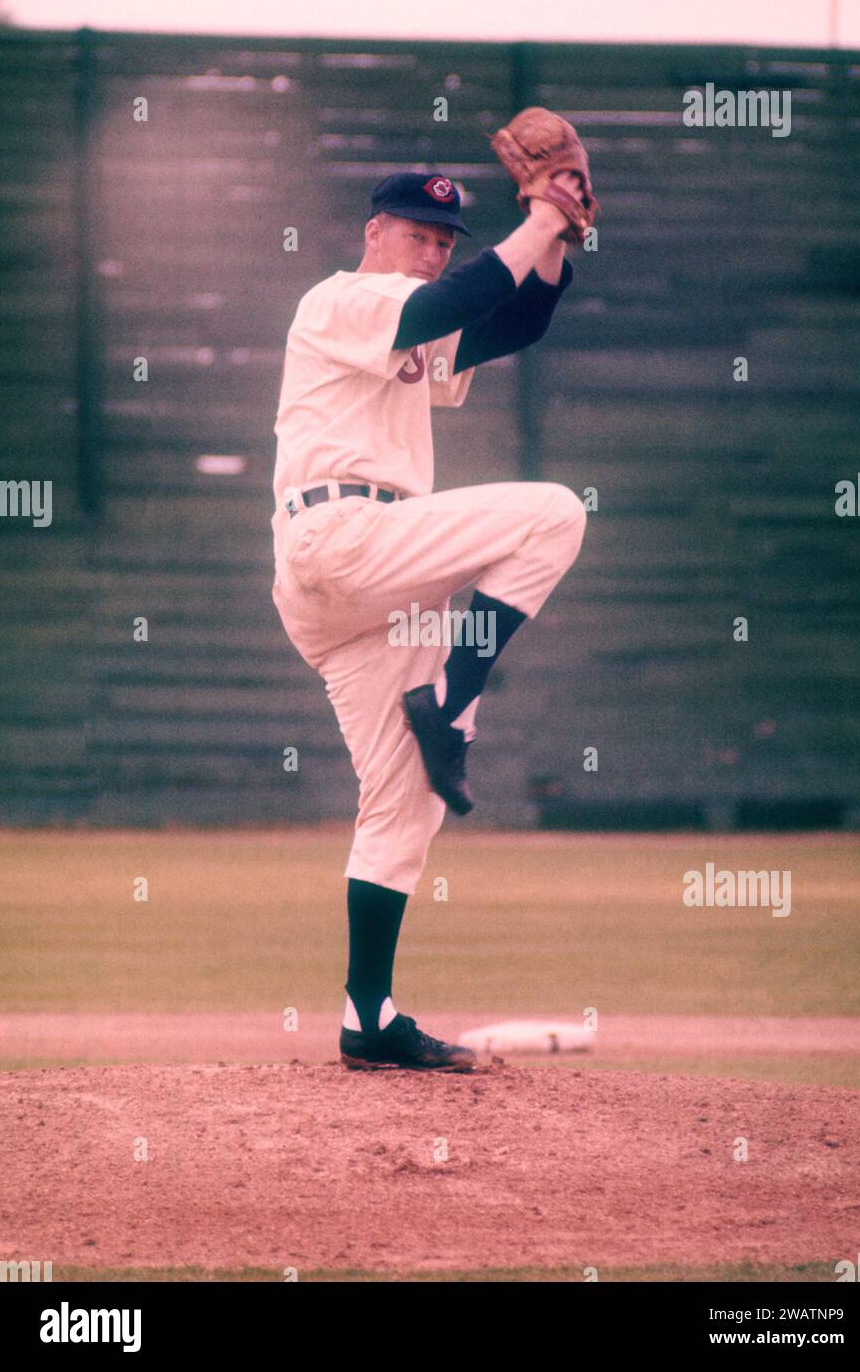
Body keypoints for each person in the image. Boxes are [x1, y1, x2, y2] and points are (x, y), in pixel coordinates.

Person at [271, 170, 587, 1071]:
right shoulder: (339, 301)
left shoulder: (415, 322)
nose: (435, 249)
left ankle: (367, 1017)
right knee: (555, 512)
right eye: (419, 232)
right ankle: (452, 697)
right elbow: (456, 297)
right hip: (341, 538)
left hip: (375, 587)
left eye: (446, 239)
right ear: (375, 232)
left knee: (406, 803)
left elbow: (511, 318)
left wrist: (560, 236)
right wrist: (539, 216)